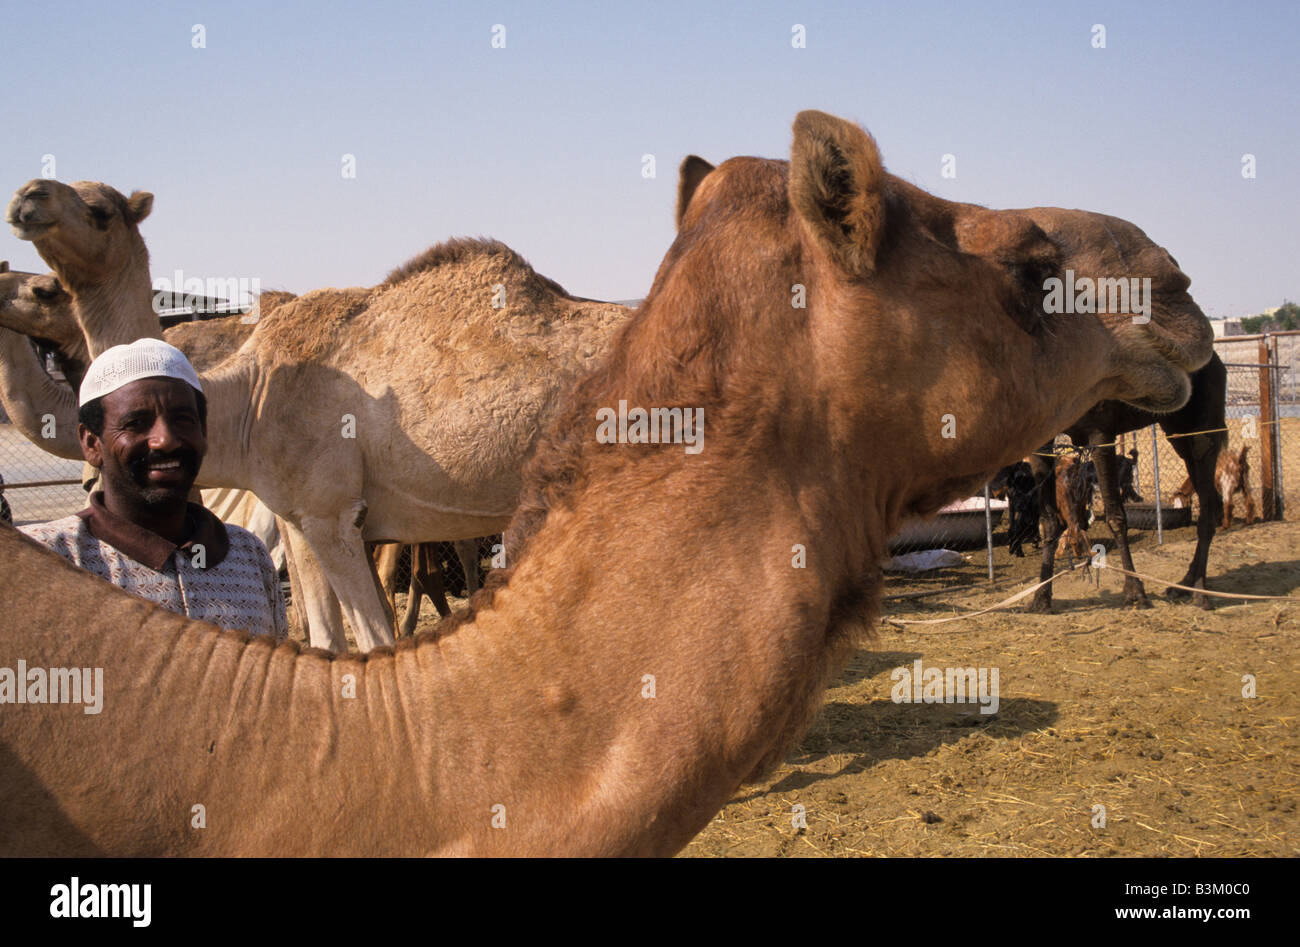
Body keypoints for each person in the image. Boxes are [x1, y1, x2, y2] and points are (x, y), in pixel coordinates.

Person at [19, 339, 287, 639]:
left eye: (183, 420)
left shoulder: (247, 555)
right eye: (136, 423)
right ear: (91, 443)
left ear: (204, 432)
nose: (166, 439)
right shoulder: (46, 557)